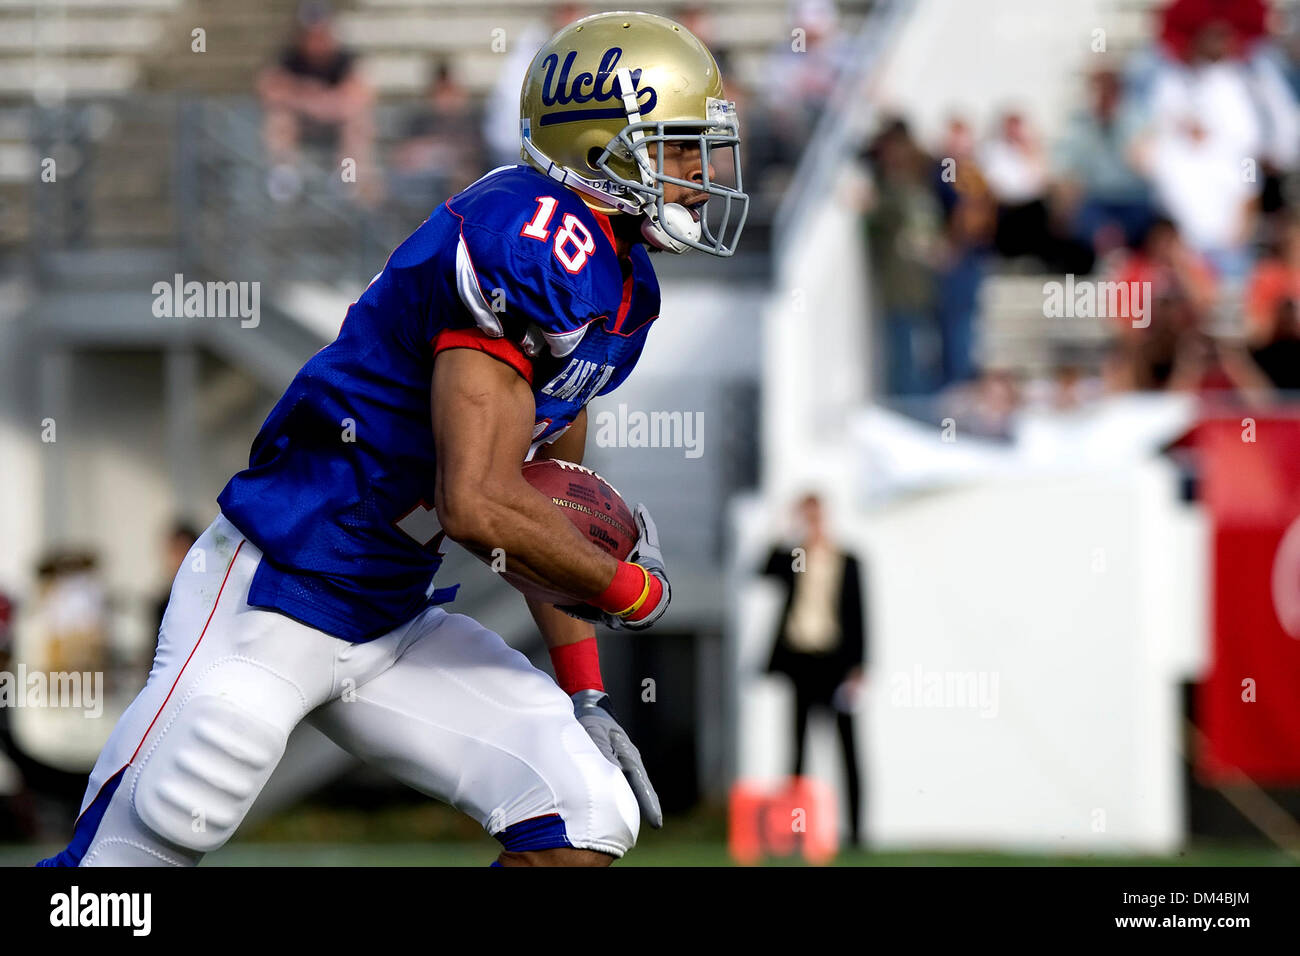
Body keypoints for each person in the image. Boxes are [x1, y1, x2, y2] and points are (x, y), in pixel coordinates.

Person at [39, 11, 748, 868]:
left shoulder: (621, 286)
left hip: (394, 617)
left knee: (585, 814)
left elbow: (539, 497)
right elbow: (479, 504)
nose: (700, 178)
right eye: (677, 150)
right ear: (604, 149)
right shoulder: (531, 242)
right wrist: (633, 592)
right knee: (133, 865)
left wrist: (587, 690)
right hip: (280, 588)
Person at [761, 494, 866, 846]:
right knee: (797, 750)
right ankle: (794, 831)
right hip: (801, 662)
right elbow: (763, 571)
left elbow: (859, 616)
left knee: (848, 749)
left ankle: (856, 834)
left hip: (836, 664)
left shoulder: (847, 560)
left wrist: (858, 668)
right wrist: (788, 528)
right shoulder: (795, 557)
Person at [257, 2, 376, 202]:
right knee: (279, 119)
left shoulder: (345, 59)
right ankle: (285, 175)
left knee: (359, 123)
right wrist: (311, 100)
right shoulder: (289, 58)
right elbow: (269, 90)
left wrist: (318, 100)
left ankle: (348, 177)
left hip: (337, 123)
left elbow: (360, 96)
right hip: (302, 124)